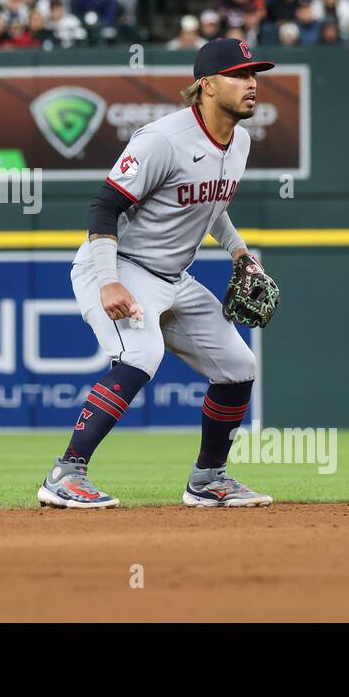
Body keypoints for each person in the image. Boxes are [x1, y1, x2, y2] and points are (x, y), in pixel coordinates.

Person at [37, 38, 278, 510]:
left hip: (173, 277)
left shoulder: (240, 141)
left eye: (254, 74)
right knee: (141, 355)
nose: (251, 83)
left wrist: (240, 252)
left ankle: (209, 480)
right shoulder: (162, 139)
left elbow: (213, 208)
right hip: (116, 264)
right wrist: (109, 280)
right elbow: (104, 207)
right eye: (238, 74)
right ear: (206, 86)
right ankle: (64, 474)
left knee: (238, 366)